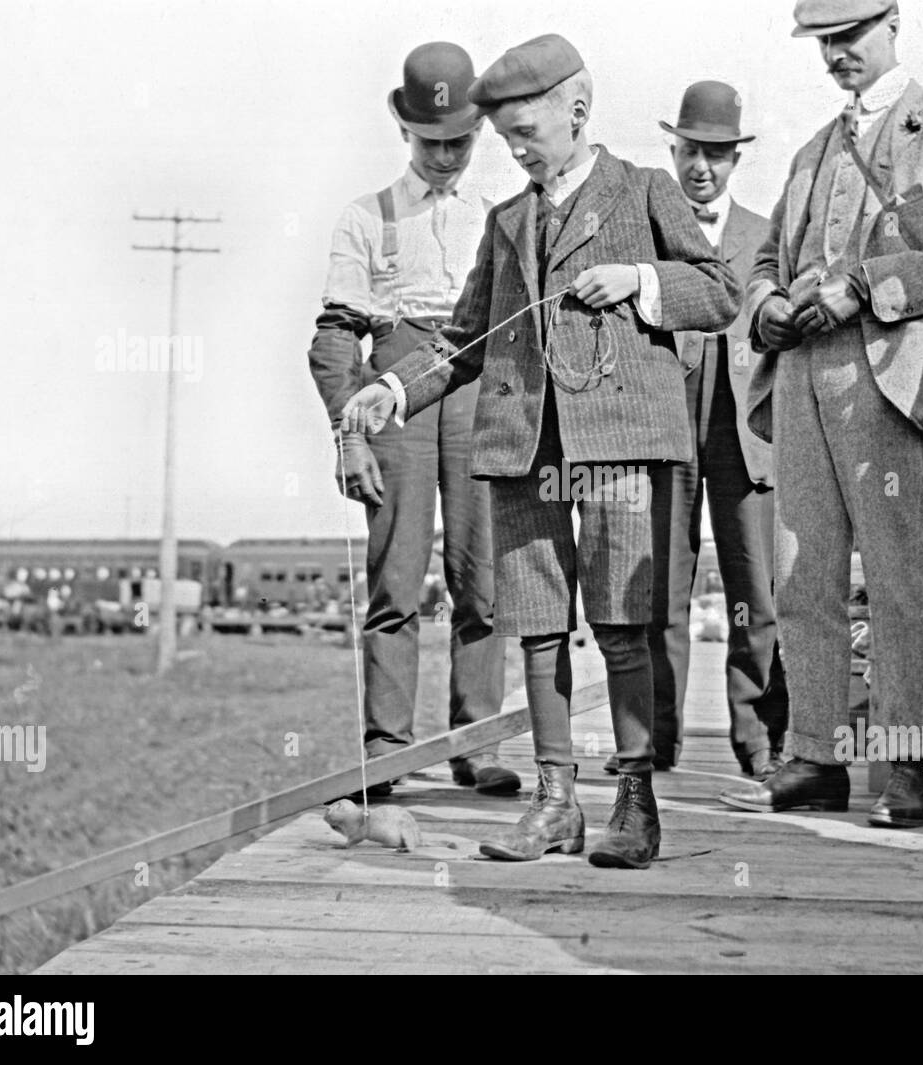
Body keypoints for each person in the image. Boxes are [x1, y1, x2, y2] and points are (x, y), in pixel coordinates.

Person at [341, 33, 739, 868]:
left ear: (578, 112)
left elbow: (721, 291)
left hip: (625, 448)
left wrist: (642, 281)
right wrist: (394, 390)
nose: (515, 149)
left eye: (527, 131)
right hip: (523, 449)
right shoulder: (507, 219)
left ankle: (634, 802)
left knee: (624, 624)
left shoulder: (645, 191)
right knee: (536, 628)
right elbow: (465, 340)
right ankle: (556, 804)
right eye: (508, 136)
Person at [718, 0, 923, 826]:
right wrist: (768, 302)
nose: (837, 55)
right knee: (802, 574)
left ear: (893, 27)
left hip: (894, 377)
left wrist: (866, 286)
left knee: (897, 577)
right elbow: (769, 256)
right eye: (825, 42)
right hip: (803, 378)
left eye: (850, 37)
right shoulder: (813, 148)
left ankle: (908, 765)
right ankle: (814, 755)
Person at [306, 42, 518, 799]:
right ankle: (387, 746)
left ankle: (476, 740)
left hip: (475, 388)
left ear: (480, 133)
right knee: (396, 579)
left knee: (481, 577)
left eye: (459, 141)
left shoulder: (501, 215)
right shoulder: (367, 217)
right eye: (432, 143)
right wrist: (349, 432)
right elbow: (334, 338)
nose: (445, 156)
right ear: (405, 132)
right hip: (393, 388)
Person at [606, 81, 787, 780]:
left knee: (756, 591)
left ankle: (759, 744)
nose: (701, 167)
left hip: (745, 428)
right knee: (660, 592)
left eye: (716, 153)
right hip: (665, 422)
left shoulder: (763, 237)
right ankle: (655, 743)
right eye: (690, 151)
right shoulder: (645, 232)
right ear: (672, 150)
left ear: (737, 157)